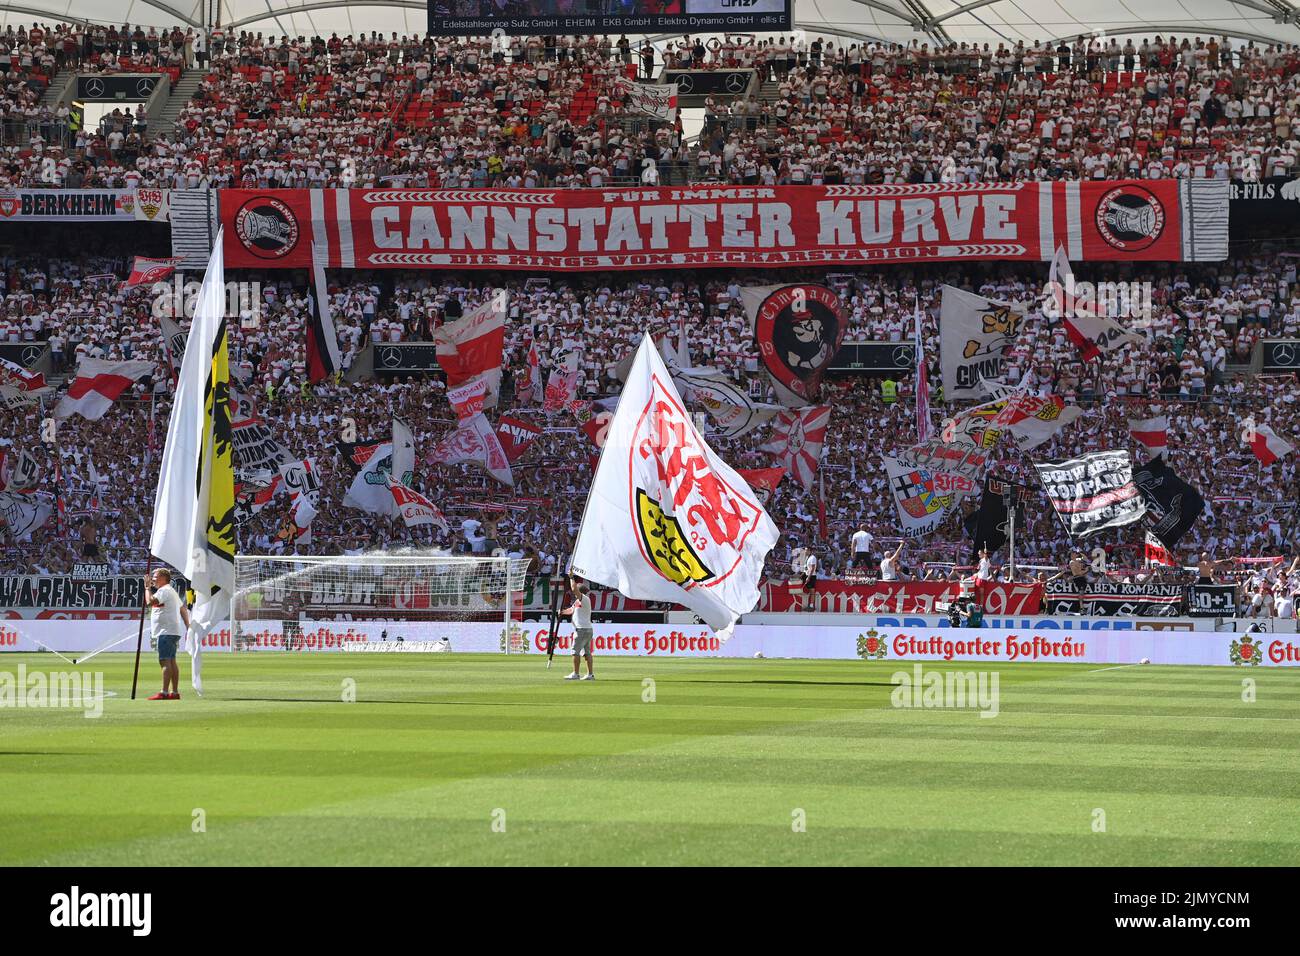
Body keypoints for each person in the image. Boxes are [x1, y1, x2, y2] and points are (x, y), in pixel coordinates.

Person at [144, 568, 189, 701]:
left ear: (164, 578)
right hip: (172, 630)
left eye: (155, 576)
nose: (153, 579)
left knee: (164, 660)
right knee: (172, 661)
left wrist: (147, 588)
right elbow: (182, 608)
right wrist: (187, 625)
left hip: (166, 631)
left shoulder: (164, 590)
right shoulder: (170, 590)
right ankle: (174, 692)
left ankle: (164, 692)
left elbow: (150, 602)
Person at [563, 577, 595, 681]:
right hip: (586, 629)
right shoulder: (578, 601)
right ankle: (590, 674)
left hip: (581, 629)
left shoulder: (583, 598)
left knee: (575, 651)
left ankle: (575, 674)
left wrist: (571, 577)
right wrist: (562, 612)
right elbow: (571, 610)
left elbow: (573, 588)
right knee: (586, 652)